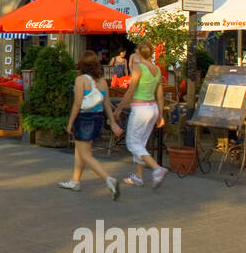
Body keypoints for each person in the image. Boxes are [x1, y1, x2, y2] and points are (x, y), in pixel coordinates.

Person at [59, 52, 122, 198]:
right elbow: (107, 103)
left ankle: (109, 179)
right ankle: (75, 181)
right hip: (98, 117)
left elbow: (77, 103)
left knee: (86, 154)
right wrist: (112, 122)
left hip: (84, 117)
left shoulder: (80, 79)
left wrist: (70, 123)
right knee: (80, 150)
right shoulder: (102, 81)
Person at [115, 42, 168, 191]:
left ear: (138, 53)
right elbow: (160, 93)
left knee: (132, 143)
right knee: (141, 143)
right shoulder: (157, 69)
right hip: (152, 108)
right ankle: (138, 176)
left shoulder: (139, 69)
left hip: (140, 109)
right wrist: (161, 114)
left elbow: (131, 91)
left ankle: (157, 169)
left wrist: (118, 109)